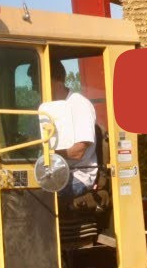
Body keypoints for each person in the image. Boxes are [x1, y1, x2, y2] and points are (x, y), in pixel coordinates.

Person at [31, 61, 98, 202]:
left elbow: (78, 152)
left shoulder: (79, 105)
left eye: (36, 81)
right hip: (55, 172)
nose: (33, 87)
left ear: (53, 80)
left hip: (78, 175)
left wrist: (47, 156)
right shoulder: (47, 109)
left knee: (38, 197)